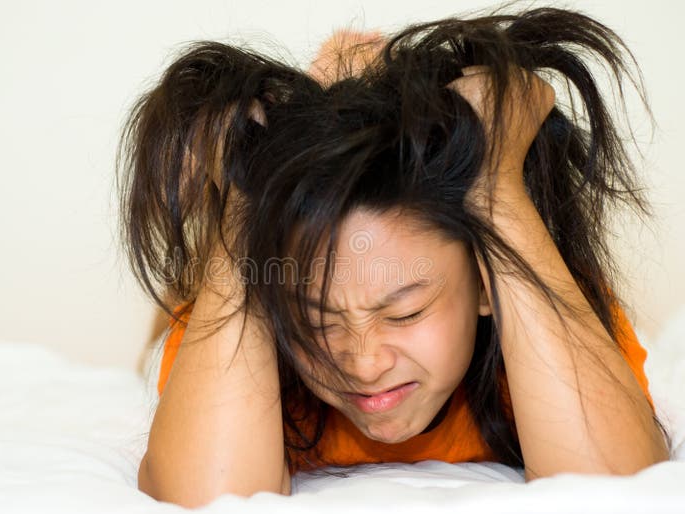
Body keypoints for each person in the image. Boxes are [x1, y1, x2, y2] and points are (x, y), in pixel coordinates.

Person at [116, 6, 672, 508]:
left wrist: (496, 183)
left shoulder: (546, 308)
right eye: (317, 319)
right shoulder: (235, 320)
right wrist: (244, 196)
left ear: (485, 284)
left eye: (404, 313)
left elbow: (620, 485)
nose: (363, 363)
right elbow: (206, 496)